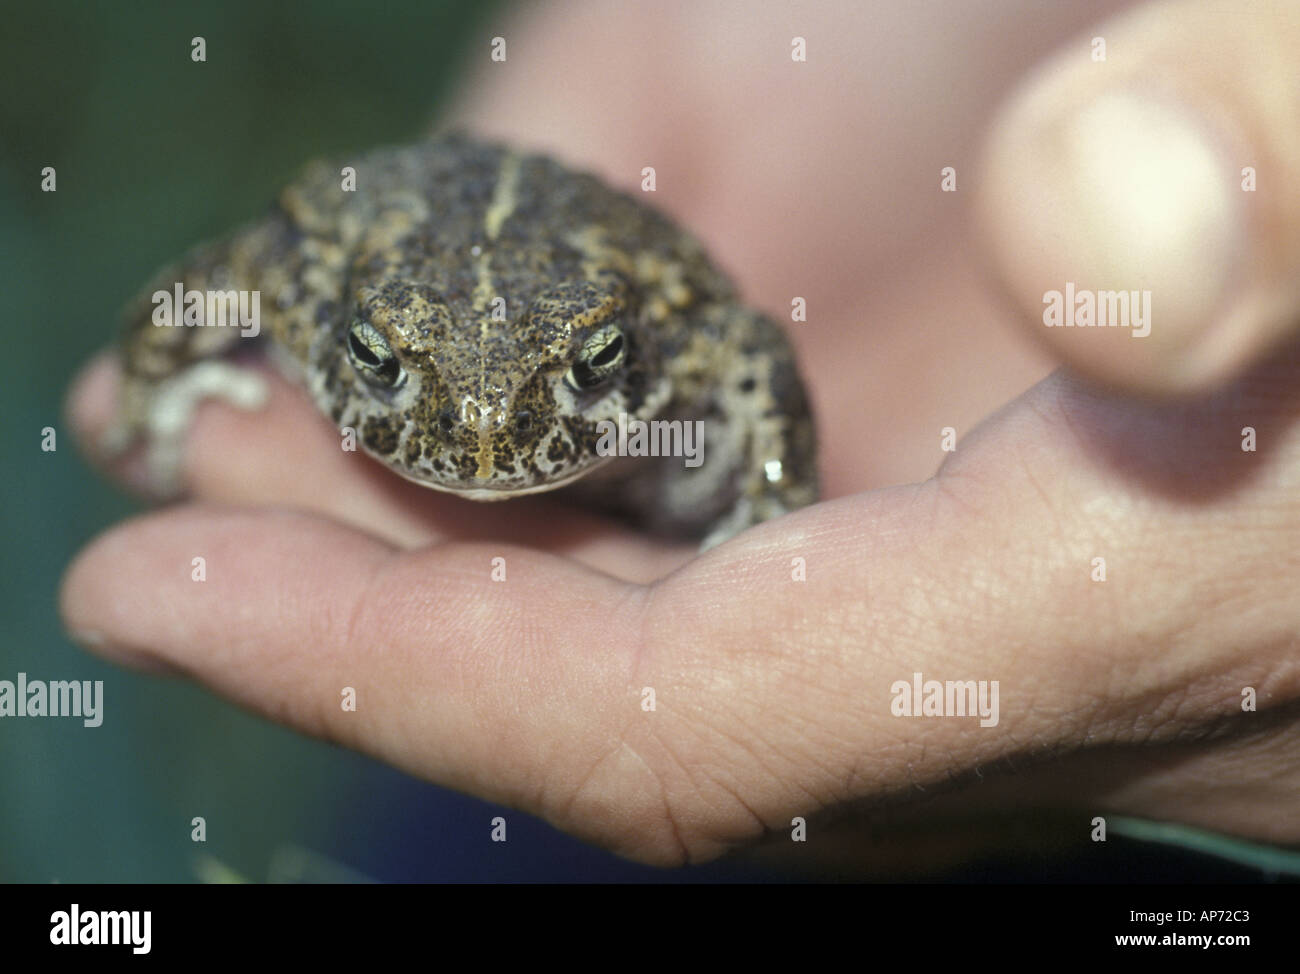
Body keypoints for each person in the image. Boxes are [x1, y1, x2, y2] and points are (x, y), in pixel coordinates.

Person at [60, 0, 1300, 869]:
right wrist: (166, 359)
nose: (487, 435)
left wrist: (771, 503)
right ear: (349, 334)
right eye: (387, 370)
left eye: (585, 372)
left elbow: (749, 346)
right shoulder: (321, 271)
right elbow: (230, 272)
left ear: (622, 351)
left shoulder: (672, 331)